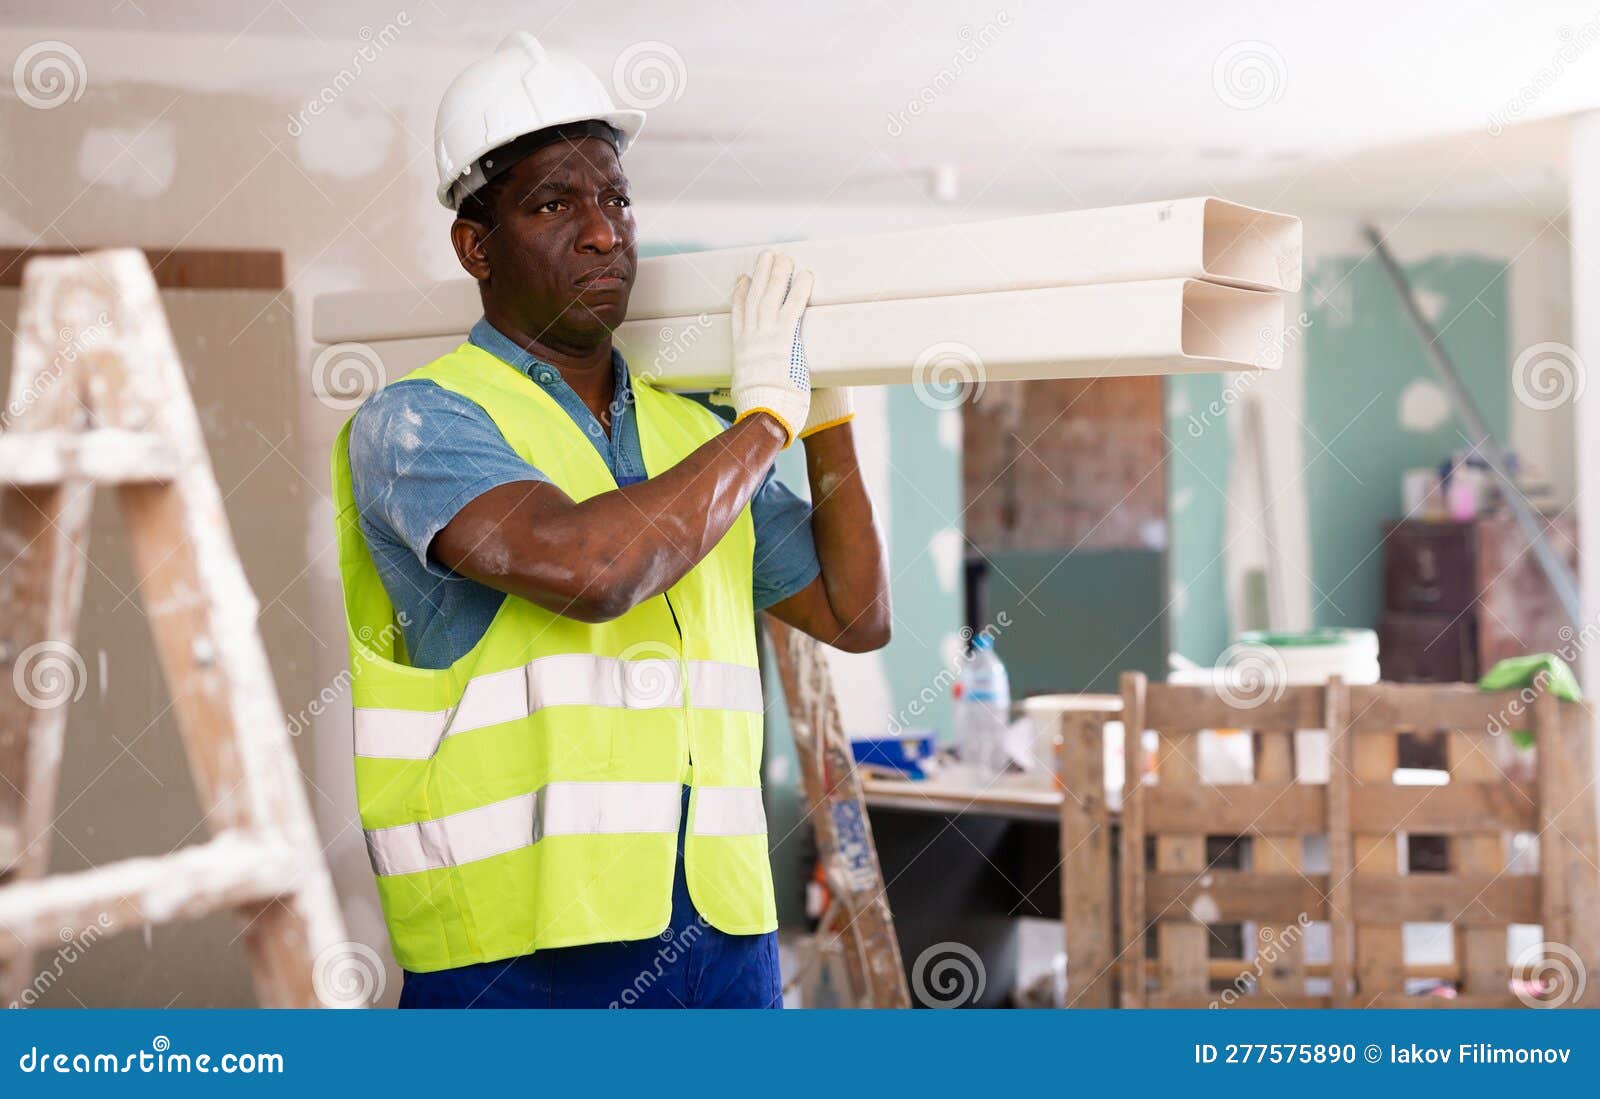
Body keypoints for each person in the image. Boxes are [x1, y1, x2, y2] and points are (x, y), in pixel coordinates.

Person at [329, 32, 889, 1008]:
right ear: (475, 245)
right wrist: (763, 421)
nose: (604, 233)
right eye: (556, 203)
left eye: (616, 200)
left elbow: (856, 614)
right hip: (517, 954)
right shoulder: (419, 421)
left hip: (721, 929)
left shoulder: (690, 436)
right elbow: (589, 568)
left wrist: (826, 413)